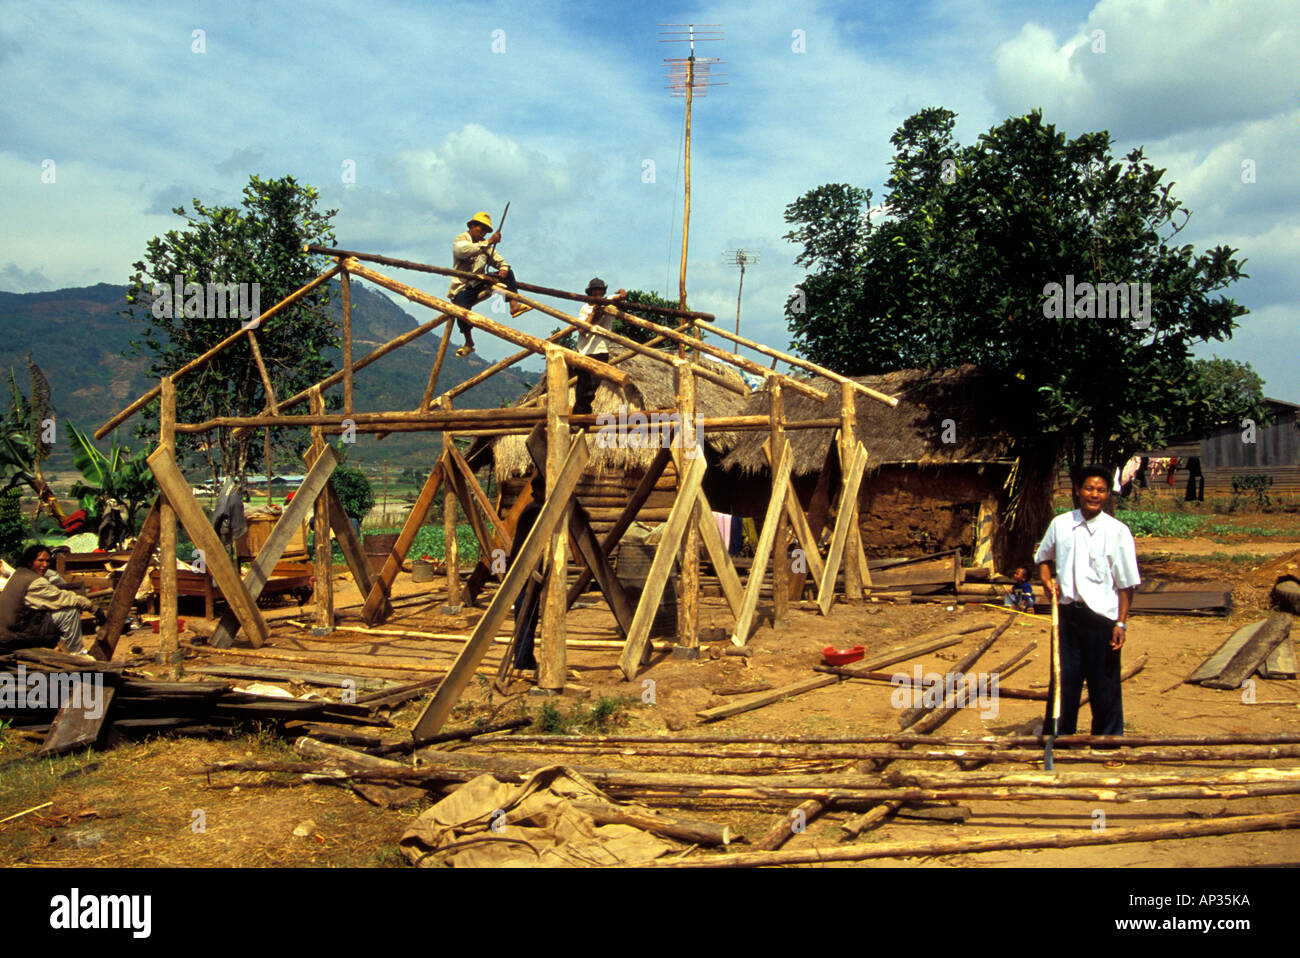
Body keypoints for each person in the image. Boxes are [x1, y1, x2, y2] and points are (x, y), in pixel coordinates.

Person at [1035, 466, 1140, 742]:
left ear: (1107, 494)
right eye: (1089, 488)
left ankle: (1107, 742)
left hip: (1102, 620)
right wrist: (1047, 581)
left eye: (1101, 490)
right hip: (1067, 617)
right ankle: (1059, 739)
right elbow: (1043, 559)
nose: (1095, 494)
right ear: (1078, 491)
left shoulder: (1117, 532)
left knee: (1104, 683)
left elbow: (1127, 584)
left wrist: (1121, 622)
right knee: (1063, 680)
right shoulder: (1061, 524)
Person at [447, 210, 531, 358]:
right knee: (461, 312)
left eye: (486, 231)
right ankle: (469, 343)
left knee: (508, 272)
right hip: (463, 288)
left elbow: (500, 261)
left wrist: (503, 268)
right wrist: (489, 242)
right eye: (481, 229)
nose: (483, 233)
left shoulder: (485, 246)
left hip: (480, 283)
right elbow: (462, 252)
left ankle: (514, 305)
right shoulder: (461, 239)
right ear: (472, 226)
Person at [0, 544, 103, 654]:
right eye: (40, 561)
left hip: (7, 630)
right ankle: (77, 653)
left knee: (52, 612)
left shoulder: (19, 574)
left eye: (47, 561)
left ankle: (64, 647)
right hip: (14, 635)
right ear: (30, 562)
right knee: (70, 612)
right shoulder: (35, 583)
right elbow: (63, 598)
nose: (45, 565)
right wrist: (93, 607)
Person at [572, 277, 627, 415]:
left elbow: (621, 297)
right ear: (590, 293)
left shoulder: (609, 302)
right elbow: (581, 329)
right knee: (582, 387)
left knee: (593, 386)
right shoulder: (585, 308)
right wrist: (595, 312)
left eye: (600, 291)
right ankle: (581, 414)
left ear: (603, 292)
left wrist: (622, 294)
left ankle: (582, 413)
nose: (597, 293)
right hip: (585, 351)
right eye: (594, 291)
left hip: (601, 350)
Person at [509, 473, 546, 671]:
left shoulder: (536, 509)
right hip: (523, 571)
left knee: (530, 616)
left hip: (528, 569)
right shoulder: (534, 510)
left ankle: (526, 659)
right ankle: (523, 661)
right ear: (539, 491)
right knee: (525, 616)